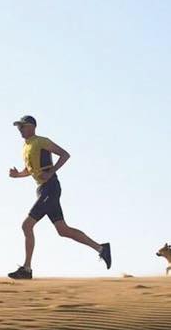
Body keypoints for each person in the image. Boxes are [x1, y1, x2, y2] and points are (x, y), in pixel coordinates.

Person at [7, 115, 111, 279]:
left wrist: (51, 172)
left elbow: (64, 154)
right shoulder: (25, 146)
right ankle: (101, 249)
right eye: (18, 127)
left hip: (50, 188)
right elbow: (30, 170)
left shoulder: (41, 141)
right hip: (42, 189)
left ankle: (26, 269)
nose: (20, 129)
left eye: (23, 126)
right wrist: (17, 175)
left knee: (27, 225)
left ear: (32, 126)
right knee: (63, 230)